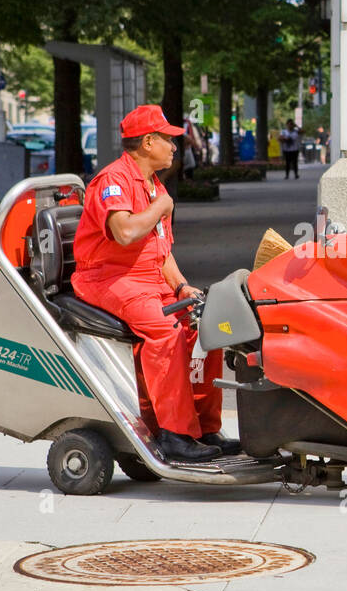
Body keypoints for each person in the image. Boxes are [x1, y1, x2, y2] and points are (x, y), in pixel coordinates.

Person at [70, 105, 240, 463]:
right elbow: (126, 231)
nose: (175, 147)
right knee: (165, 334)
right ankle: (175, 434)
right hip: (110, 278)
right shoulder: (113, 181)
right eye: (168, 139)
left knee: (205, 325)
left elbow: (161, 252)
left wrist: (181, 287)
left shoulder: (153, 183)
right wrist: (161, 205)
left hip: (147, 278)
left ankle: (205, 428)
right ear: (148, 142)